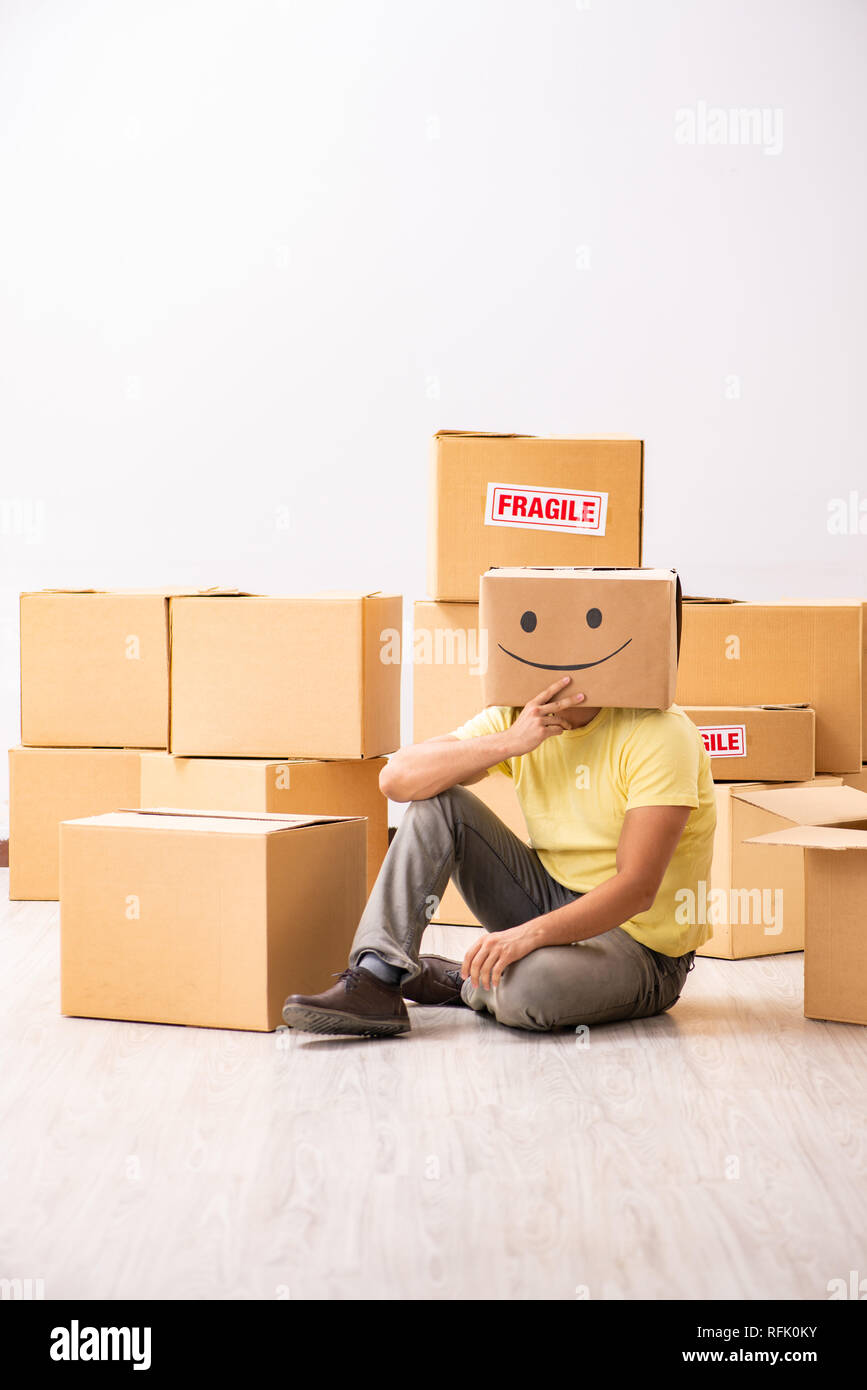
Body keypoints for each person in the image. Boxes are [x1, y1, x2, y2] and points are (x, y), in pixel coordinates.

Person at [282, 675, 716, 1038]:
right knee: (438, 803)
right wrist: (510, 742)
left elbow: (637, 889)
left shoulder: (659, 732)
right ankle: (377, 979)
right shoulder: (517, 716)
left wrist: (526, 937)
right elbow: (397, 779)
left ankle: (466, 980)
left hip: (640, 946)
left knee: (528, 993)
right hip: (548, 895)